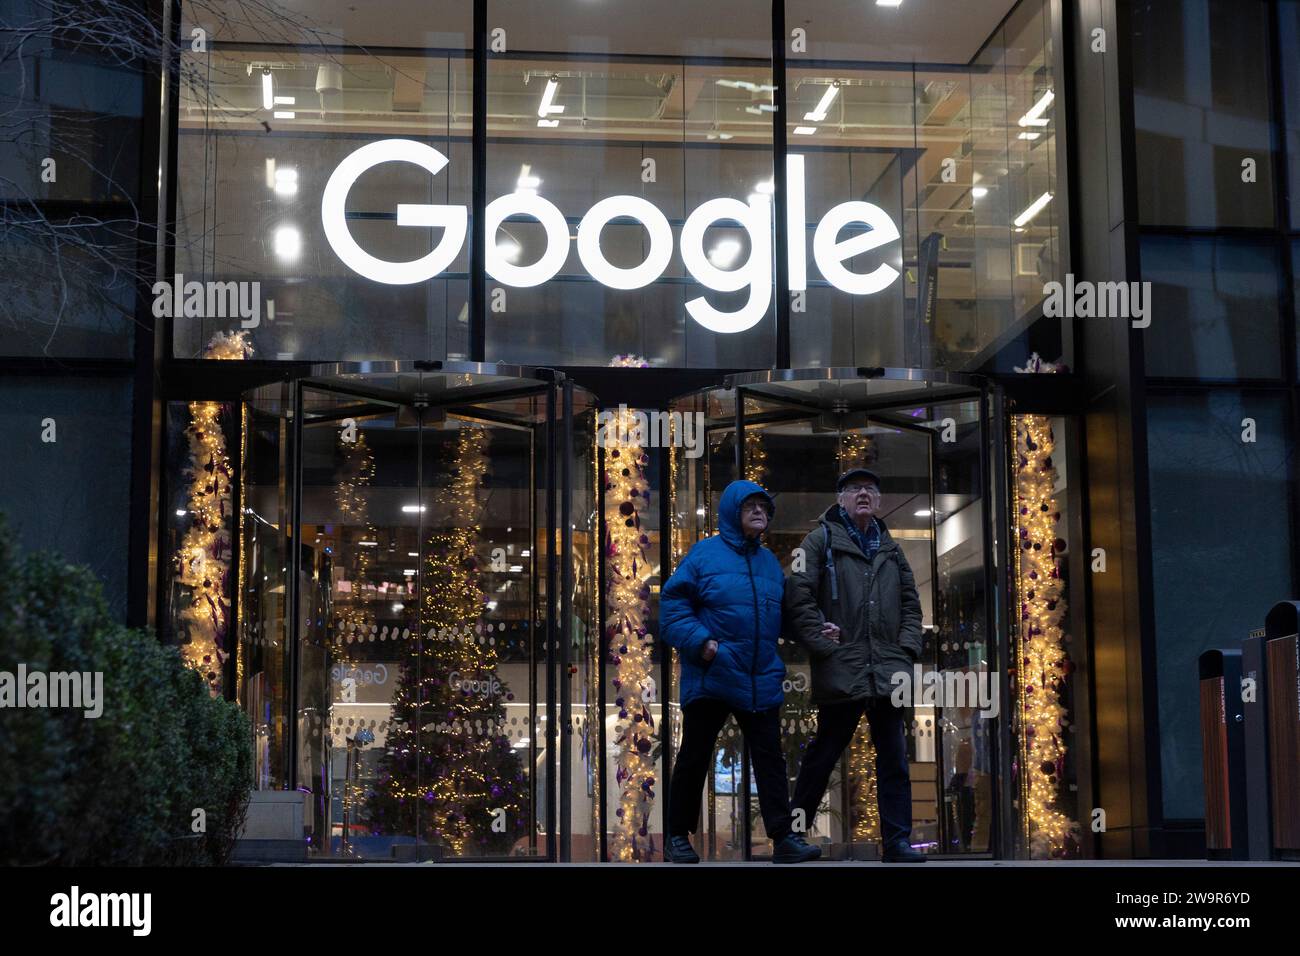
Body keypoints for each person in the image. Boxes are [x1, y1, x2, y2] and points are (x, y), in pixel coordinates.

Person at [659, 479, 820, 865]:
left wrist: (816, 629)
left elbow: (779, 618)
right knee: (695, 756)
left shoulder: (768, 563)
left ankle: (783, 839)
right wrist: (703, 642)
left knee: (770, 760)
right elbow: (671, 609)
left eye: (764, 508)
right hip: (713, 673)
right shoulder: (703, 555)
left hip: (759, 677)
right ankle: (677, 837)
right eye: (750, 506)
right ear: (732, 511)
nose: (759, 512)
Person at [784, 467, 927, 863]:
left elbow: (912, 606)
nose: (863, 494)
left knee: (895, 758)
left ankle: (897, 843)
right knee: (823, 755)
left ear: (878, 502)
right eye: (854, 489)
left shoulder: (891, 549)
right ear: (840, 498)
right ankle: (792, 837)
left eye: (870, 490)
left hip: (888, 670)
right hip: (842, 666)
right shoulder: (819, 541)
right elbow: (798, 597)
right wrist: (820, 642)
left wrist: (906, 650)